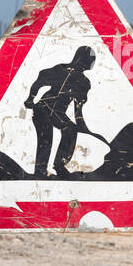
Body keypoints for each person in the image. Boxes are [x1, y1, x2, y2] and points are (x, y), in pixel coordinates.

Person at [23, 46, 101, 178]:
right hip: (43, 108)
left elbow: (78, 110)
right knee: (46, 139)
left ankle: (59, 165)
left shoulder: (84, 83)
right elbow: (41, 78)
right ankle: (40, 172)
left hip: (57, 113)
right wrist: (30, 99)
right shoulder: (61, 70)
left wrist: (82, 127)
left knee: (70, 130)